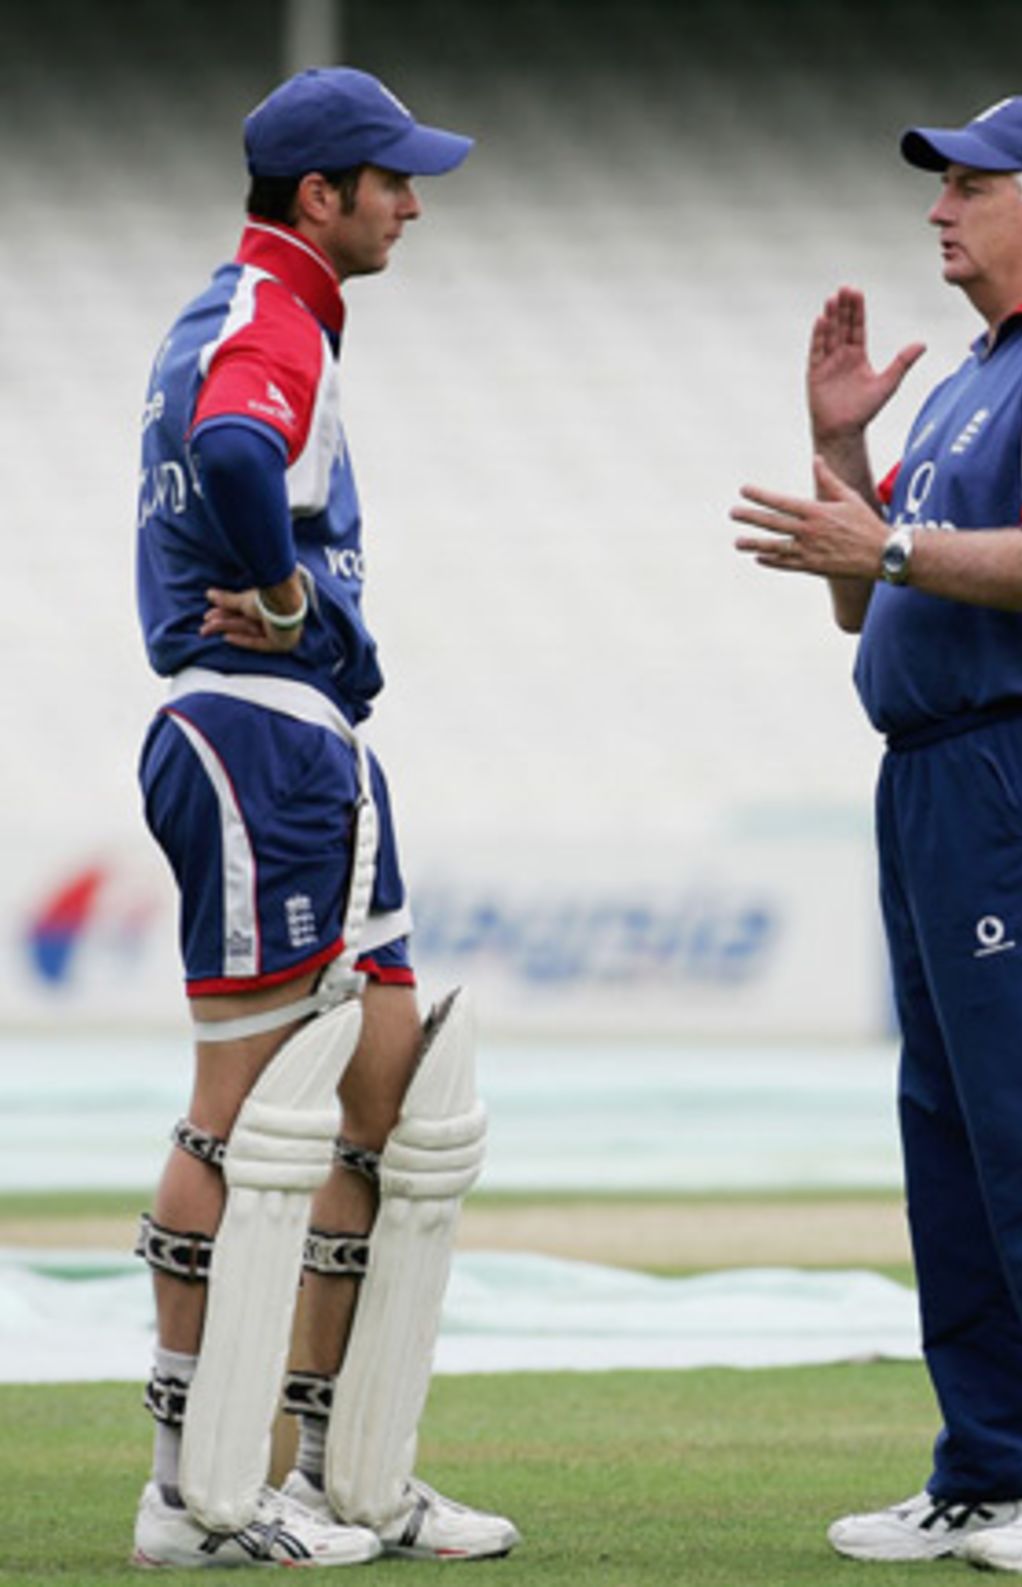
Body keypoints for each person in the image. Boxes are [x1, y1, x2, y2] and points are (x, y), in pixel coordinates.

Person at [731, 96, 1022, 1575]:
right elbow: (876, 601)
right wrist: (844, 463)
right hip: (933, 773)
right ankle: (995, 1465)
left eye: (970, 186)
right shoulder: (977, 377)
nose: (938, 208)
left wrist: (897, 540)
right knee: (956, 1134)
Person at [130, 67, 520, 1568]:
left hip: (303, 741)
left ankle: (335, 1469)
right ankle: (194, 1488)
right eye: (392, 180)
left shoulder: (258, 314)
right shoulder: (263, 317)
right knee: (250, 1114)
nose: (412, 203)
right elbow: (236, 456)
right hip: (255, 729)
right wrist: (291, 599)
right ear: (319, 196)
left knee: (390, 1105)